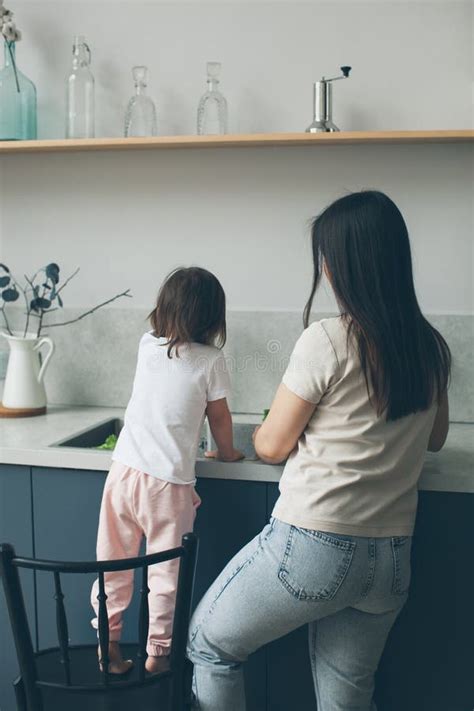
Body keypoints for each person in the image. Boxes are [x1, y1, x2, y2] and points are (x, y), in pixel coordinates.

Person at [187, 191, 451, 710]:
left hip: (315, 548)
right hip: (392, 562)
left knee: (211, 644)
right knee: (345, 696)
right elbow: (435, 438)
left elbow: (270, 444)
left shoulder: (326, 340)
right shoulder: (429, 346)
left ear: (343, 268)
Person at [90, 266, 243, 674]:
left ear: (163, 309)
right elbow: (220, 420)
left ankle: (109, 643)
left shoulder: (146, 346)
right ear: (214, 318)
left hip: (121, 474)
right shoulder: (211, 360)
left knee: (113, 563)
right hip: (167, 486)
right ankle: (158, 653)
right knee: (165, 574)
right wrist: (226, 454)